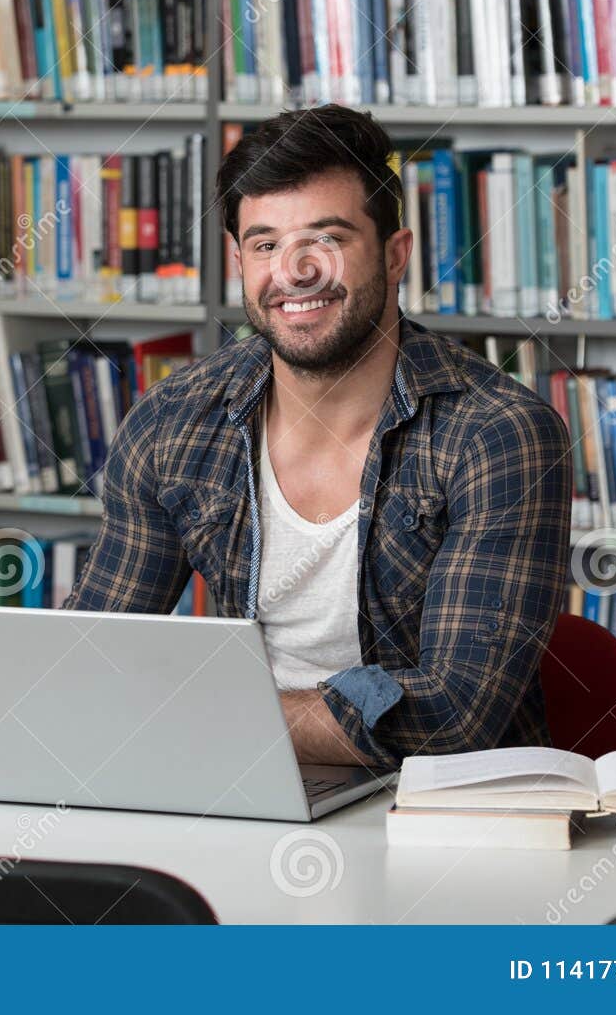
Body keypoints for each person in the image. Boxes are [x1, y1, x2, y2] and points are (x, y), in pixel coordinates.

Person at [66, 104, 572, 769]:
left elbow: (456, 714)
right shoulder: (174, 422)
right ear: (238, 260)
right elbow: (89, 651)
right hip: (237, 789)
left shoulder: (499, 436)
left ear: (395, 255)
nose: (294, 271)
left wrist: (205, 713)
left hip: (442, 820)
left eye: (327, 239)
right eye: (265, 244)